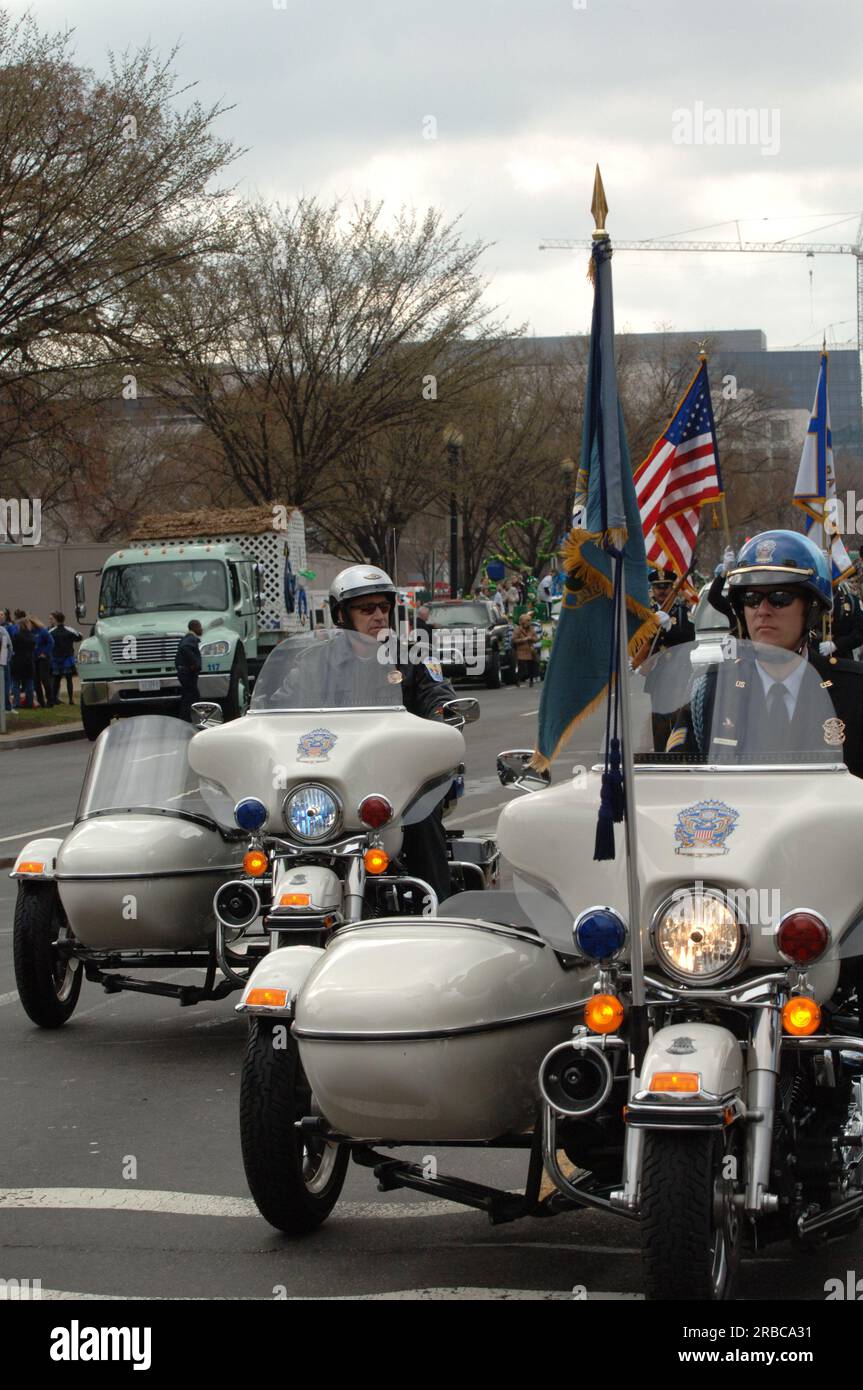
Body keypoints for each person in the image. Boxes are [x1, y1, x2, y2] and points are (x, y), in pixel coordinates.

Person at [668, 530, 863, 777]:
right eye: (751, 598)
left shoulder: (855, 691)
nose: (762, 610)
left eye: (780, 598)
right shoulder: (712, 691)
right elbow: (681, 787)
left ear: (812, 608)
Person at [325, 565, 456, 901]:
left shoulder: (414, 656)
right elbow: (281, 704)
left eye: (383, 607)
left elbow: (440, 699)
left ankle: (435, 907)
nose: (379, 615)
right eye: (366, 609)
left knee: (421, 821)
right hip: (334, 774)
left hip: (403, 776)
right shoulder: (318, 662)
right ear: (341, 614)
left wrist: (442, 718)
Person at [818, 583, 863, 661]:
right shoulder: (811, 600)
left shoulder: (852, 601)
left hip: (842, 659)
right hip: (814, 658)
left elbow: (860, 634)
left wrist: (836, 645)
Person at [49, 612, 81, 705]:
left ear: (55, 619)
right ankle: (71, 699)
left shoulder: (51, 631)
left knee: (56, 680)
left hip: (56, 657)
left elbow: (47, 640)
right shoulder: (69, 630)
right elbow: (79, 637)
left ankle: (54, 699)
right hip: (68, 656)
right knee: (69, 679)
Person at [175, 619, 203, 721]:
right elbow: (184, 648)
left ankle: (185, 717)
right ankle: (190, 718)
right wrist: (194, 663)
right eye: (199, 627)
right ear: (194, 627)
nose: (201, 629)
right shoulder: (191, 638)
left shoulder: (188, 638)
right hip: (187, 673)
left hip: (183, 672)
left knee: (187, 695)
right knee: (193, 695)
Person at [10, 611, 36, 709]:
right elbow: (34, 648)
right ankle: (29, 703)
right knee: (29, 683)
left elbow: (12, 647)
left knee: (16, 683)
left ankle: (17, 703)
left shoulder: (16, 636)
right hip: (29, 661)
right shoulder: (32, 637)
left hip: (17, 661)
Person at [32, 617, 54, 708]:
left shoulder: (42, 631)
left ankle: (50, 700)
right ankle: (41, 701)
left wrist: (45, 653)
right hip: (34, 659)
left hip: (43, 659)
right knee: (36, 681)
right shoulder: (30, 632)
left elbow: (51, 642)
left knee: (44, 679)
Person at [513, 611, 539, 688]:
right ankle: (517, 680)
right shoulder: (518, 630)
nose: (529, 622)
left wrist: (532, 639)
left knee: (531, 667)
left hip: (530, 651)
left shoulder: (531, 629)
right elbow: (514, 640)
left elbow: (536, 638)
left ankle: (531, 681)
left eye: (529, 621)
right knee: (521, 668)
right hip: (521, 651)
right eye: (527, 621)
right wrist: (524, 639)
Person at [0, 620, 12, 713]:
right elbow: (9, 646)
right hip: (3, 661)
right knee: (5, 683)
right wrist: (8, 658)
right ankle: (6, 706)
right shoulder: (2, 630)